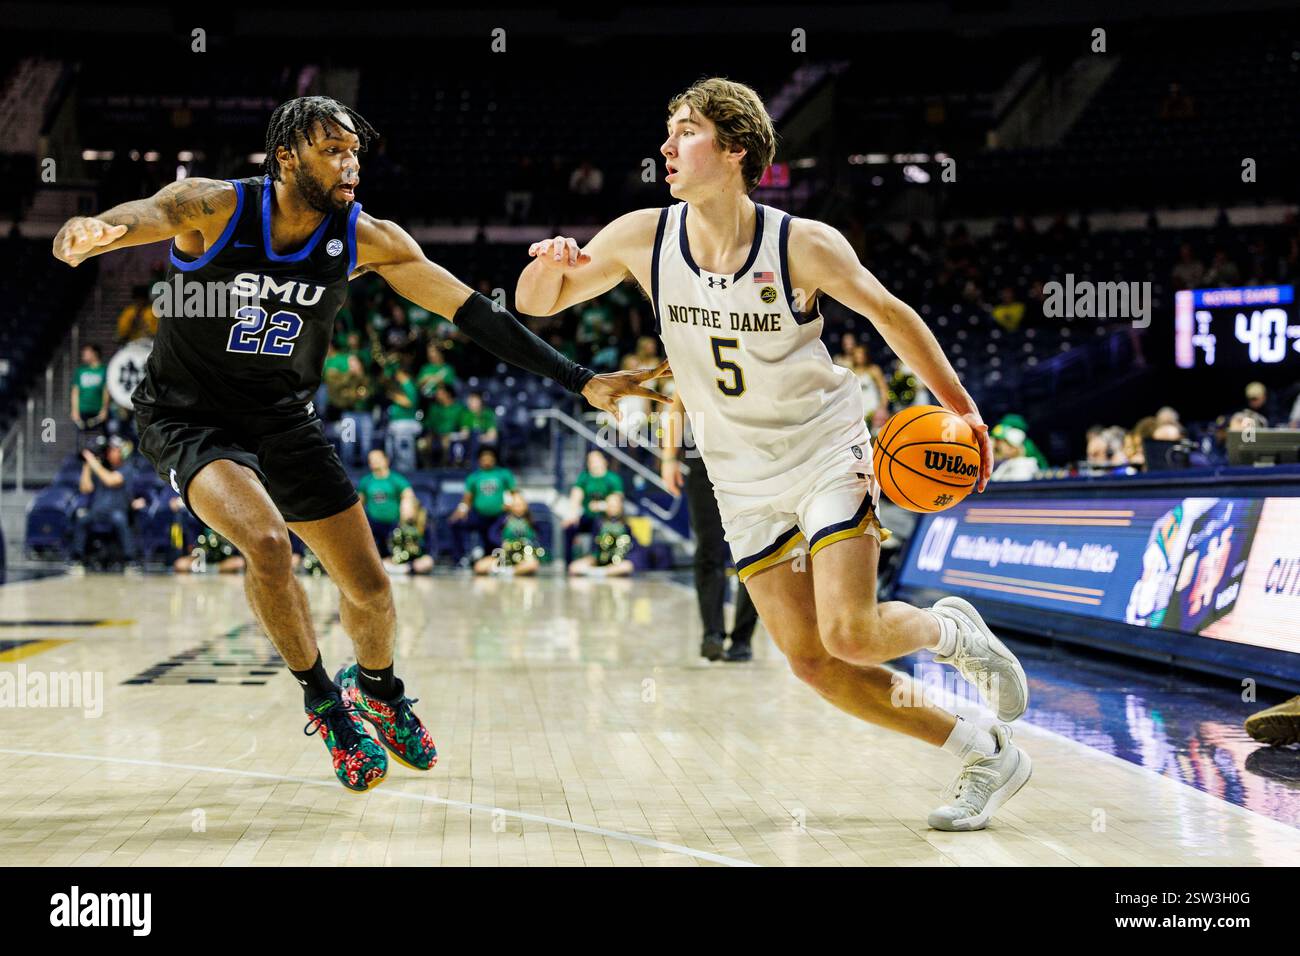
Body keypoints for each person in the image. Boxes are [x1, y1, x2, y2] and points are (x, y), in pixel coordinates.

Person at [53, 95, 667, 792]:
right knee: (267, 544)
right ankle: (326, 704)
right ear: (285, 156)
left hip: (283, 417)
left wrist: (580, 379)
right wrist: (97, 228)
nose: (350, 165)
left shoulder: (368, 237)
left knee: (371, 592)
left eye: (354, 152)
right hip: (188, 418)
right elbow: (151, 214)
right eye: (332, 151)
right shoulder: (217, 207)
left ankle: (377, 689)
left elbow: (470, 311)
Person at [515, 77, 1030, 831]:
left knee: (849, 631)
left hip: (824, 449)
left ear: (735, 151)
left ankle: (950, 631)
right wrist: (552, 259)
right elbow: (537, 302)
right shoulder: (641, 235)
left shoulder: (801, 243)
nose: (667, 145)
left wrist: (962, 408)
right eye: (669, 131)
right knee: (813, 662)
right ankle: (983, 748)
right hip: (738, 475)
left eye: (686, 131)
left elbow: (891, 313)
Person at [662, 391, 758, 661]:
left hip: (753, 458)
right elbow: (678, 403)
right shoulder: (693, 349)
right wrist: (669, 458)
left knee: (756, 550)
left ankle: (742, 638)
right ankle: (712, 635)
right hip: (704, 458)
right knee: (708, 549)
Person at [449, 446, 517, 562]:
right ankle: (459, 558)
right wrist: (461, 510)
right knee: (456, 523)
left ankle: (506, 558)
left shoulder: (503, 474)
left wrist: (511, 507)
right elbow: (467, 498)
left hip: (499, 516)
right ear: (479, 460)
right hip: (479, 515)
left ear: (494, 459)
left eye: (489, 457)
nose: (487, 460)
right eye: (484, 457)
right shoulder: (474, 477)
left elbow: (513, 493)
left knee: (493, 538)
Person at [72, 443, 133, 565]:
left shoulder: (126, 468)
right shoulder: (99, 469)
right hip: (97, 511)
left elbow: (110, 480)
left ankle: (129, 559)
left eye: (113, 450)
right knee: (81, 520)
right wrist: (87, 466)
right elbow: (85, 489)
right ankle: (77, 558)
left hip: (116, 510)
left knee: (119, 520)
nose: (109, 453)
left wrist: (92, 461)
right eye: (109, 451)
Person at [562, 449, 624, 561]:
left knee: (598, 524)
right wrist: (572, 515)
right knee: (570, 527)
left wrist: (601, 506)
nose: (593, 463)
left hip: (606, 518)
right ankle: (569, 562)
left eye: (596, 460)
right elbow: (576, 497)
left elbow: (617, 501)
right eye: (590, 460)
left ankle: (593, 559)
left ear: (604, 461)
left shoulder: (612, 479)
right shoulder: (584, 477)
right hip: (588, 517)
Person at [356, 449, 416, 553]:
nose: (374, 461)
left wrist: (407, 507)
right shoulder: (366, 481)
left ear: (386, 460)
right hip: (373, 525)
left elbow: (408, 495)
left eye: (377, 459)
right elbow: (359, 504)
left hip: (394, 523)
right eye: (371, 460)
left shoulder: (396, 479)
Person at [474, 494, 545, 576]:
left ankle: (510, 571)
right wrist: (501, 543)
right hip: (506, 553)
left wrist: (532, 546)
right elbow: (492, 534)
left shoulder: (530, 520)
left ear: (525, 506)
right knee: (479, 567)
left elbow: (541, 536)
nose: (518, 508)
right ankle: (500, 569)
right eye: (515, 505)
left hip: (524, 555)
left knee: (532, 565)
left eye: (520, 505)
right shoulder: (504, 519)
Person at [567, 494, 637, 577]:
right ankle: (600, 572)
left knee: (627, 566)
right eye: (610, 505)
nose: (612, 508)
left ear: (620, 506)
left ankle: (599, 572)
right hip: (598, 559)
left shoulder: (626, 525)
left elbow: (629, 547)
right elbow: (594, 546)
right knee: (573, 567)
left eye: (615, 505)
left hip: (616, 562)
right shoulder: (598, 522)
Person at [71, 344, 110, 447]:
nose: (83, 355)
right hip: (83, 411)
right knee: (81, 443)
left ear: (95, 353)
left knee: (101, 442)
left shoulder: (104, 370)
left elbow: (106, 391)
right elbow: (75, 391)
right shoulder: (80, 371)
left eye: (86, 352)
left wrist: (104, 410)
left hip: (97, 412)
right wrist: (75, 411)